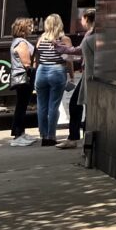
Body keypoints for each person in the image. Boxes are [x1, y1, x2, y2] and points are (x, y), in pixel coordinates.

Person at [59, 8, 97, 150]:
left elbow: (80, 50)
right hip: (88, 73)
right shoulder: (91, 34)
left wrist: (64, 50)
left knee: (80, 105)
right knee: (79, 105)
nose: (80, 21)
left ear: (87, 19)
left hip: (90, 75)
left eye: (82, 18)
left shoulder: (91, 36)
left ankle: (79, 139)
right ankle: (76, 138)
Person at [33, 14, 71, 147]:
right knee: (53, 106)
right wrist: (70, 75)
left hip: (41, 71)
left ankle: (43, 135)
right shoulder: (64, 39)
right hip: (57, 70)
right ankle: (51, 136)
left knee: (41, 106)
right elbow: (68, 59)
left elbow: (37, 58)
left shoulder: (41, 39)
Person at [9, 18, 37, 147]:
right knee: (21, 106)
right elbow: (26, 63)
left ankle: (21, 132)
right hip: (23, 78)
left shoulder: (17, 41)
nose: (32, 28)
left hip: (20, 77)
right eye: (29, 26)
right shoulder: (21, 43)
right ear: (23, 29)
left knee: (22, 106)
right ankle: (18, 134)